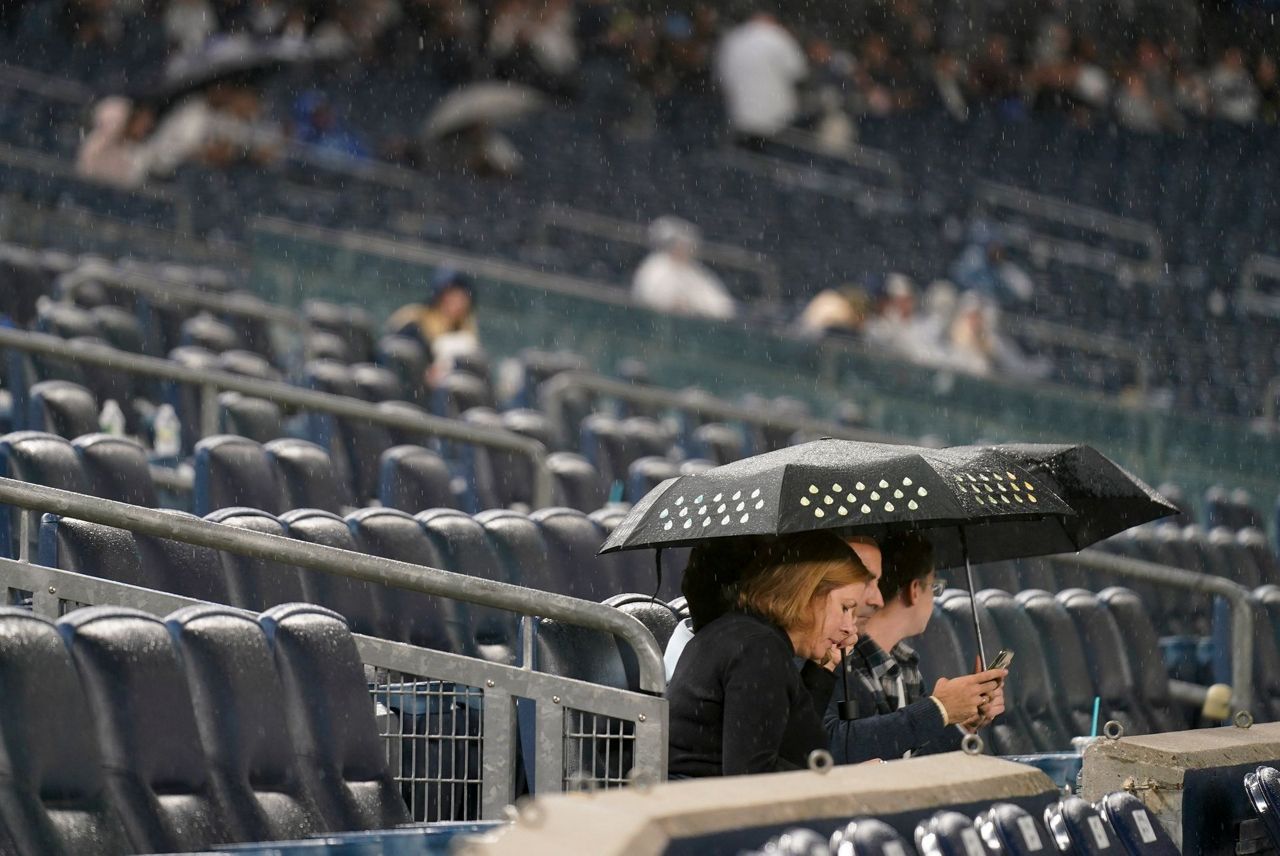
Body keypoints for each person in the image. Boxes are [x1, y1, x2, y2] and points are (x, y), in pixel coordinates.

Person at [667, 532, 873, 778]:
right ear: (807, 593)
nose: (851, 628)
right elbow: (754, 776)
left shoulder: (748, 636)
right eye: (846, 608)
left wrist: (822, 668)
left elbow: (790, 744)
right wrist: (842, 781)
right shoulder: (758, 649)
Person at [826, 531, 1007, 764]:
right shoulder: (836, 661)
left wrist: (960, 721)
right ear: (914, 590)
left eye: (876, 582)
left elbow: (913, 763)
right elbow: (843, 749)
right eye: (933, 587)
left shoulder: (906, 664)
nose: (877, 599)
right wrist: (941, 708)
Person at [714, 7, 807, 145]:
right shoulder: (778, 36)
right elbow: (800, 74)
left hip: (739, 119)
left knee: (742, 158)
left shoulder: (733, 38)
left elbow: (719, 78)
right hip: (775, 121)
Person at [631, 217, 735, 320]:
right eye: (681, 244)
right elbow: (647, 296)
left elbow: (724, 307)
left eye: (688, 246)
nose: (685, 249)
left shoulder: (695, 272)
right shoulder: (655, 267)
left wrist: (693, 307)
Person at [386, 268, 480, 381]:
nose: (456, 304)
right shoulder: (414, 323)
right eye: (451, 296)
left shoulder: (465, 333)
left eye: (461, 298)